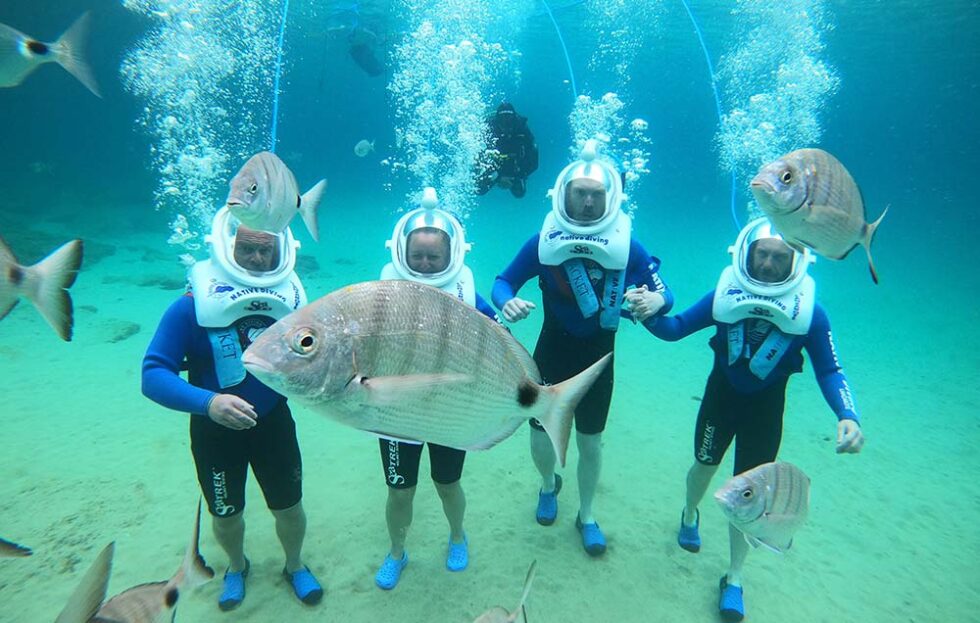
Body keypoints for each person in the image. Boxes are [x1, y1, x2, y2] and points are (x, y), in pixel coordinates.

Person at [628, 218, 865, 622]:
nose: (770, 264)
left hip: (766, 412)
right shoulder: (726, 293)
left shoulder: (811, 312)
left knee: (752, 495)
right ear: (747, 255)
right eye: (763, 255)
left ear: (797, 260)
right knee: (704, 467)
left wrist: (848, 415)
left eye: (779, 257)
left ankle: (734, 577)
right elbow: (677, 327)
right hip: (720, 399)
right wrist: (646, 310)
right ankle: (689, 514)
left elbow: (830, 370)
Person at [492, 139, 673, 556]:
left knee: (591, 440)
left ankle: (587, 514)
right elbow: (503, 281)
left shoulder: (629, 244)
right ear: (563, 195)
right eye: (581, 194)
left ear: (610, 198)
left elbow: (667, 291)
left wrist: (656, 301)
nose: (589, 203)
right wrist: (507, 302)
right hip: (550, 352)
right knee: (539, 430)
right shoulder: (543, 240)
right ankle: (547, 485)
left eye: (597, 195)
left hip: (599, 360)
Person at [142, 208, 323, 611]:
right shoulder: (188, 308)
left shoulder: (291, 302)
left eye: (266, 251)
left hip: (273, 425)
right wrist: (209, 403)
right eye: (247, 249)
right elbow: (153, 374)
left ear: (282, 251)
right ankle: (236, 567)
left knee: (289, 507)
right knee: (225, 514)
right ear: (227, 247)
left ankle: (294, 565)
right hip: (214, 431)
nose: (258, 259)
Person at [373, 187, 500, 590]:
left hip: (449, 410)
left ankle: (458, 536)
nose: (426, 264)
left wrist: (507, 316)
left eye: (434, 257)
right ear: (402, 253)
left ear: (451, 256)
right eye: (418, 256)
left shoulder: (466, 292)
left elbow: (495, 334)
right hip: (396, 413)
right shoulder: (381, 292)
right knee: (400, 492)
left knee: (448, 485)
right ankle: (397, 552)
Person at [476, 102, 539, 198]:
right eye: (502, 120)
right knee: (479, 189)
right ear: (497, 120)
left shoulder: (522, 129)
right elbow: (479, 156)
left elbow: (533, 159)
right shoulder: (489, 129)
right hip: (494, 167)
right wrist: (498, 178)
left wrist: (519, 175)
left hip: (515, 168)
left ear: (514, 119)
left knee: (519, 193)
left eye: (509, 120)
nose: (506, 124)